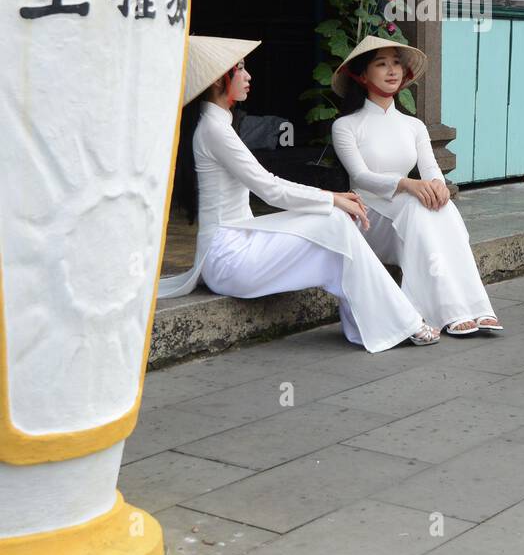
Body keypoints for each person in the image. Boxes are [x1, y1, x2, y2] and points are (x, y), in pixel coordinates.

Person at [158, 36, 440, 350]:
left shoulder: (217, 124)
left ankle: (373, 323)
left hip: (238, 241)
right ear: (216, 80)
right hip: (229, 258)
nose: (248, 76)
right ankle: (401, 321)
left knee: (337, 233)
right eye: (239, 69)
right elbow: (268, 188)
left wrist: (330, 198)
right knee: (334, 220)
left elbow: (270, 184)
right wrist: (332, 197)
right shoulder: (215, 129)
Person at [331, 36, 502, 337]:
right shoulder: (346, 126)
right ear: (361, 75)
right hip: (367, 216)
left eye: (396, 62)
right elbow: (359, 177)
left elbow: (432, 170)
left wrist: (439, 187)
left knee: (439, 205)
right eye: (381, 64)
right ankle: (448, 311)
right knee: (415, 205)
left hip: (407, 213)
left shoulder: (414, 126)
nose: (392, 70)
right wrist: (406, 184)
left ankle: (476, 306)